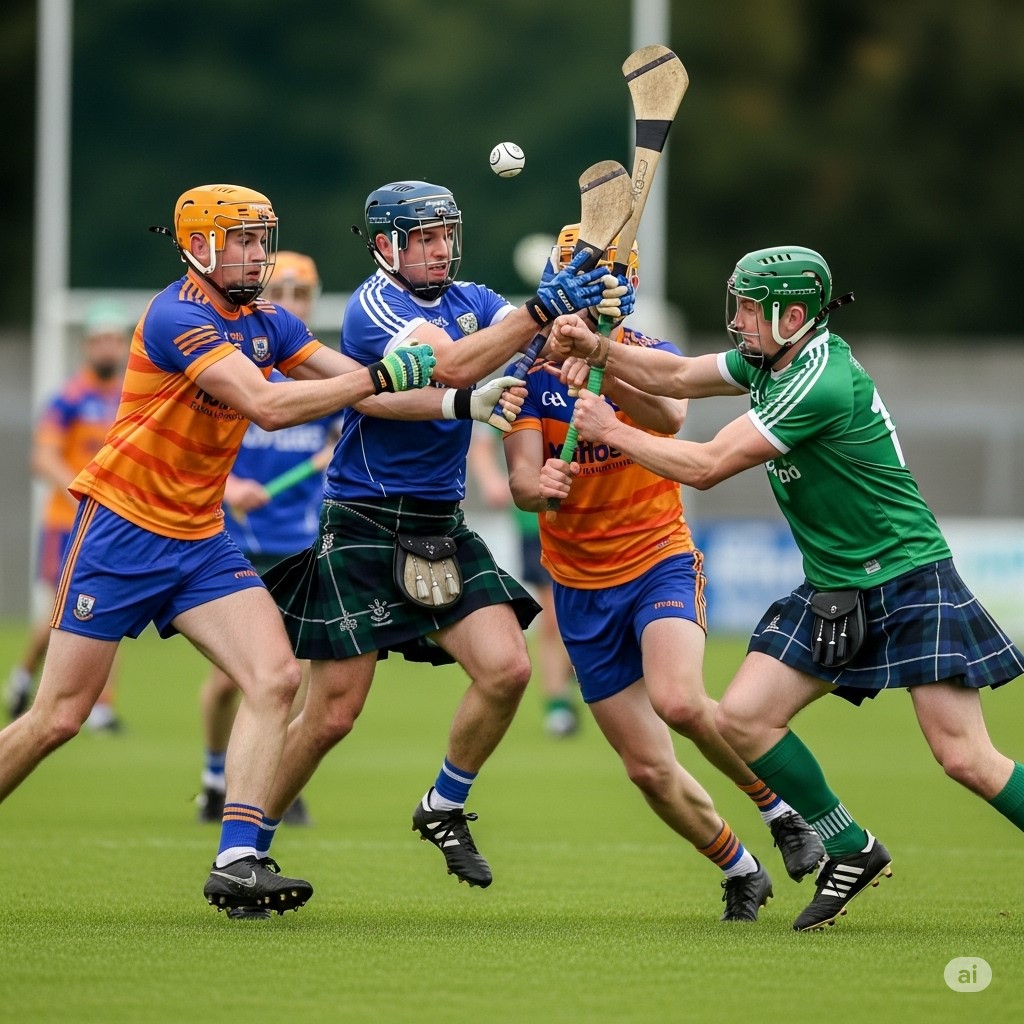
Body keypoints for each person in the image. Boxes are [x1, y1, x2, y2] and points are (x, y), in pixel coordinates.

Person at [552, 243, 1024, 931]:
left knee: (966, 758)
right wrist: (598, 349)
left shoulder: (818, 381)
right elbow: (678, 374)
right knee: (742, 719)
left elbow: (708, 465)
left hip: (907, 574)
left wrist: (611, 431)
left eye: (751, 309)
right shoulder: (768, 361)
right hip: (836, 583)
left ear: (793, 317)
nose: (738, 320)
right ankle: (851, 847)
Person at [0, 183, 440, 919]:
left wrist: (466, 400)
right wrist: (381, 375)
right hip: (122, 532)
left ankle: (237, 862)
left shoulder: (269, 321)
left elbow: (362, 392)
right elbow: (267, 405)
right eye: (242, 240)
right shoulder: (177, 316)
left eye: (262, 238)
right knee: (59, 717)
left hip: (200, 538)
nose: (257, 254)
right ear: (199, 246)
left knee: (273, 677)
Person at [262, 180, 631, 890]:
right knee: (331, 716)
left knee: (507, 669)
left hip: (439, 521)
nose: (439, 249)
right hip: (366, 516)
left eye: (444, 235)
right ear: (385, 245)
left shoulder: (474, 298)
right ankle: (248, 845)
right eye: (423, 238)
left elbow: (533, 343)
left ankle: (444, 804)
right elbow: (455, 366)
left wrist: (589, 312)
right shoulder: (375, 307)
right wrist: (540, 311)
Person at [502, 227, 824, 921]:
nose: (587, 298)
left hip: (658, 561)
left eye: (604, 283)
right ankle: (740, 869)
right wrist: (540, 486)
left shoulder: (649, 353)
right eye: (576, 283)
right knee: (647, 769)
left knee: (679, 701)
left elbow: (670, 415)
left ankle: (780, 812)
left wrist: (604, 371)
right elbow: (522, 481)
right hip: (579, 586)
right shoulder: (530, 370)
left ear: (628, 288)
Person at [195, 251, 333, 828]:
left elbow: (349, 431)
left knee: (287, 670)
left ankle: (271, 781)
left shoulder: (316, 373)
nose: (293, 304)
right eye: (284, 294)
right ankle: (213, 775)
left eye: (303, 295)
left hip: (299, 541)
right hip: (235, 539)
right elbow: (197, 445)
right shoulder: (235, 367)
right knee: (232, 678)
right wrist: (232, 487)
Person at [6, 301, 131, 731]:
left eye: (115, 339)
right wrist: (81, 492)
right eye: (100, 340)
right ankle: (23, 678)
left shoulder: (129, 397)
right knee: (58, 617)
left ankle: (102, 707)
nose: (108, 347)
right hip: (67, 524)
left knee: (111, 605)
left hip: (112, 524)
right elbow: (42, 458)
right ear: (87, 346)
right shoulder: (68, 398)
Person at [466, 425, 579, 737]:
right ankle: (557, 703)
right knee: (554, 616)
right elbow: (482, 443)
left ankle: (577, 665)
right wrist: (491, 479)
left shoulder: (591, 397)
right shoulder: (520, 397)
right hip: (538, 524)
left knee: (586, 615)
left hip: (594, 519)